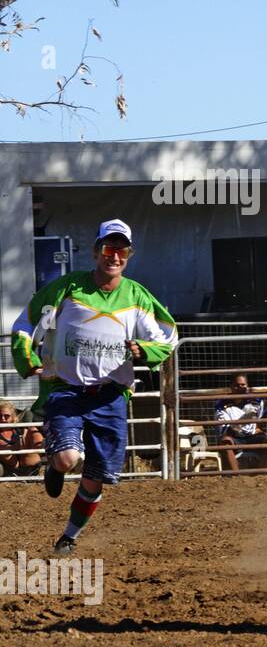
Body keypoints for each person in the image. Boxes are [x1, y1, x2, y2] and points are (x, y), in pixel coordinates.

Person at [9, 219, 177, 555]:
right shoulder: (68, 288)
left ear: (128, 254)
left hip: (110, 395)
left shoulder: (137, 296)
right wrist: (26, 358)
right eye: (108, 248)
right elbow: (26, 321)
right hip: (66, 389)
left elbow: (168, 336)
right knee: (70, 458)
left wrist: (144, 350)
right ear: (96, 251)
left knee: (97, 477)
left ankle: (68, 537)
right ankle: (56, 465)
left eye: (121, 249)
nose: (114, 256)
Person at [214, 374, 267, 472]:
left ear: (247, 386)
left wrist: (261, 430)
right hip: (234, 437)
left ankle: (261, 474)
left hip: (253, 436)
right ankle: (236, 477)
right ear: (231, 387)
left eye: (243, 385)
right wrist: (244, 420)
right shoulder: (221, 403)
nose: (240, 388)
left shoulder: (257, 401)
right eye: (237, 385)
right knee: (225, 442)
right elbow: (224, 429)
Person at [0, 399, 43, 476]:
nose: (3, 419)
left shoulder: (18, 428)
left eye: (6, 416)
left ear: (13, 417)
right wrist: (19, 445)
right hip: (10, 469)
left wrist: (26, 432)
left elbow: (28, 413)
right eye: (0, 416)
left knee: (32, 429)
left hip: (30, 466)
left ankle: (42, 447)